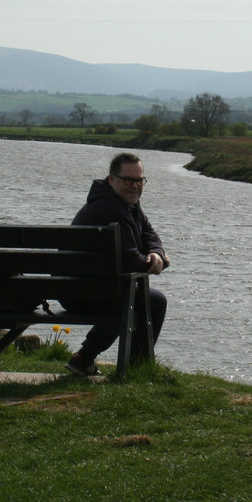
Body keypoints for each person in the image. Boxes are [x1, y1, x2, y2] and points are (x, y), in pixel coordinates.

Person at [64, 151, 170, 376]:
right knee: (151, 301)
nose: (135, 186)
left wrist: (156, 253)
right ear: (112, 180)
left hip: (83, 288)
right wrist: (156, 262)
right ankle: (137, 368)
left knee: (129, 296)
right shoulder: (109, 210)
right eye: (128, 180)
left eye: (139, 180)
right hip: (83, 293)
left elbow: (149, 234)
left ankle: (83, 359)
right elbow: (131, 259)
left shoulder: (126, 204)